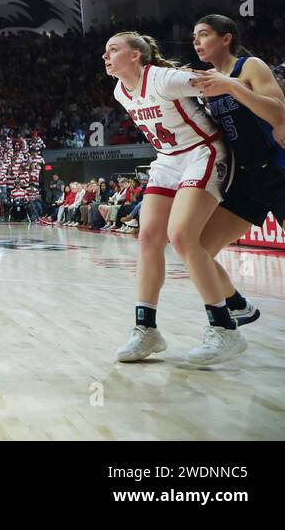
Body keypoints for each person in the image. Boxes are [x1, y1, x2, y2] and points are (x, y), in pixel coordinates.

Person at [104, 32, 245, 366]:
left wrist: (256, 87)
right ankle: (146, 329)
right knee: (148, 238)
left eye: (113, 50)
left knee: (182, 237)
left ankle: (226, 329)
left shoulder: (164, 78)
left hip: (203, 150)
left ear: (136, 55)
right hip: (167, 159)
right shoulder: (119, 91)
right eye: (105, 52)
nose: (106, 57)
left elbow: (213, 82)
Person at [188, 15, 285, 325]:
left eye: (204, 34)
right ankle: (237, 305)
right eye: (194, 36)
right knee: (197, 249)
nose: (195, 41)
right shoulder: (210, 80)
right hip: (244, 178)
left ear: (226, 38)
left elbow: (277, 114)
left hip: (277, 172)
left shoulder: (250, 67)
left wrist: (231, 86)